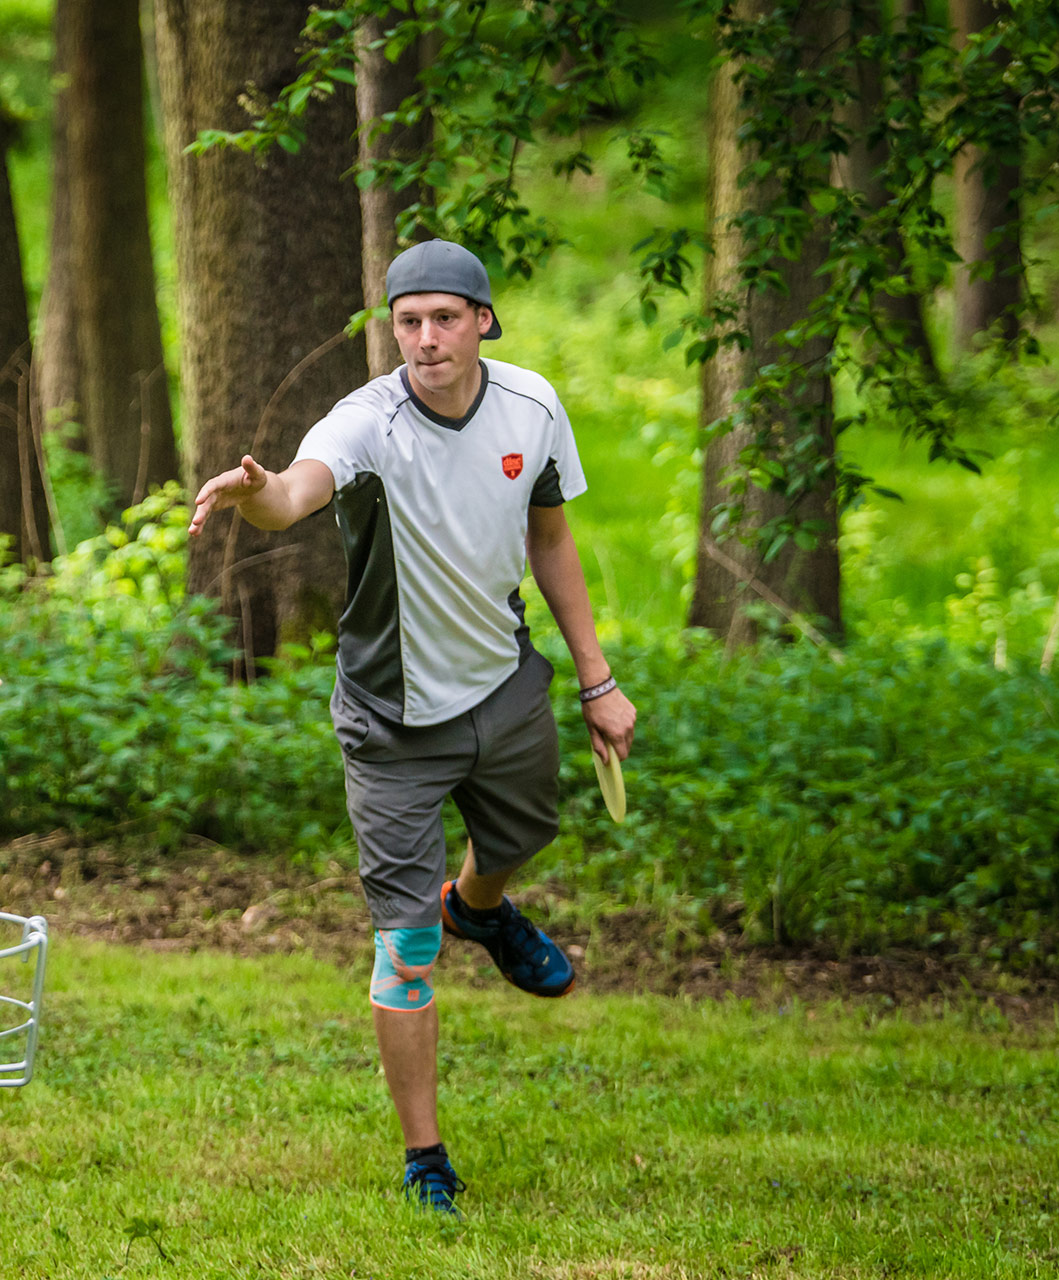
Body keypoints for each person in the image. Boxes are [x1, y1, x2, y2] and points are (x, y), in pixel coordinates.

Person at [189, 239, 638, 1215]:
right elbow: (300, 489)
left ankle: (479, 904)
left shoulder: (532, 405)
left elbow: (549, 536)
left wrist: (598, 680)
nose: (425, 338)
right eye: (407, 321)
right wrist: (255, 494)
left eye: (444, 317)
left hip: (504, 685)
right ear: (392, 329)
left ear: (483, 320)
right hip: (390, 715)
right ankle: (425, 1154)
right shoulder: (367, 422)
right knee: (403, 945)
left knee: (524, 836)